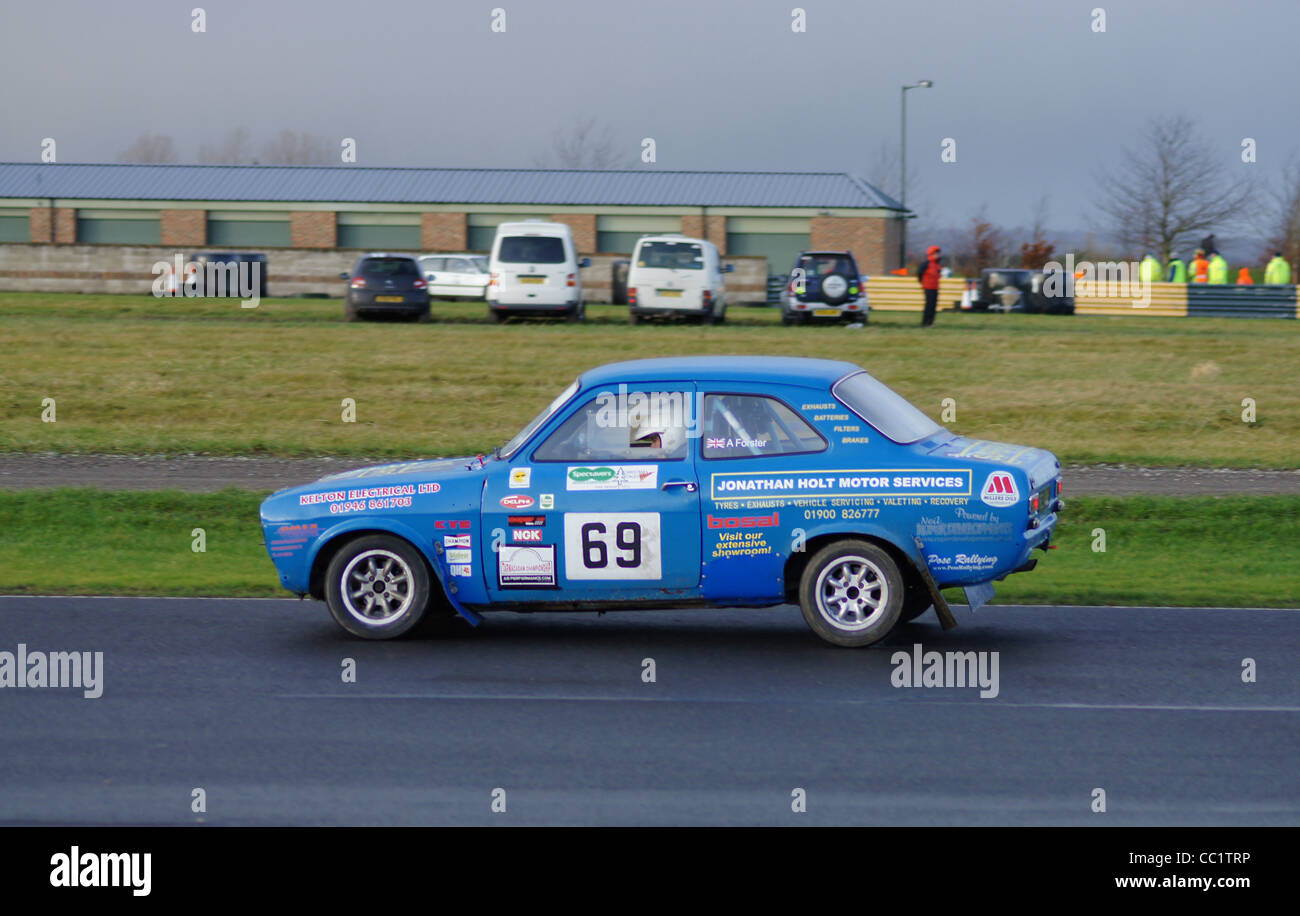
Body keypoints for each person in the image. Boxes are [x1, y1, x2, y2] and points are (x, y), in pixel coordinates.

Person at [916, 244, 942, 326]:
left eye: (938, 253)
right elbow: (919, 273)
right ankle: (925, 323)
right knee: (929, 306)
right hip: (928, 287)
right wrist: (922, 282)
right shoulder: (926, 264)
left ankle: (930, 322)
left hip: (935, 287)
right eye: (936, 253)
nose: (938, 255)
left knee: (933, 306)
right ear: (931, 253)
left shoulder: (937, 264)